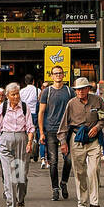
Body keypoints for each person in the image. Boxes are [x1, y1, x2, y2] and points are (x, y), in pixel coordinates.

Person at [57, 76, 104, 207]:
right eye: (77, 90)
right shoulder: (71, 103)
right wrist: (63, 142)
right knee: (79, 172)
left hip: (94, 140)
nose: (80, 92)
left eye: (82, 89)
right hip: (77, 139)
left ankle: (94, 201)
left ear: (88, 89)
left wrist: (97, 127)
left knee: (93, 170)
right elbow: (64, 125)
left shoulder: (97, 100)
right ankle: (82, 202)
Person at [0, 82, 36, 207]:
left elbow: (30, 127)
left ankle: (20, 199)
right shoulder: (2, 107)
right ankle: (11, 205)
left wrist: (29, 142)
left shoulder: (25, 107)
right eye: (13, 94)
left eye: (17, 94)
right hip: (5, 141)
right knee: (9, 175)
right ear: (7, 96)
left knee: (20, 174)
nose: (16, 97)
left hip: (22, 140)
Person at [38, 67, 74, 200]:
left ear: (63, 75)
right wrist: (41, 132)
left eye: (60, 73)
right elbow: (41, 112)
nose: (58, 75)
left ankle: (63, 182)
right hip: (51, 130)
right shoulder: (46, 92)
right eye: (55, 74)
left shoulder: (70, 91)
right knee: (53, 161)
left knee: (69, 160)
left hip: (67, 130)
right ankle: (55, 189)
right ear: (51, 76)